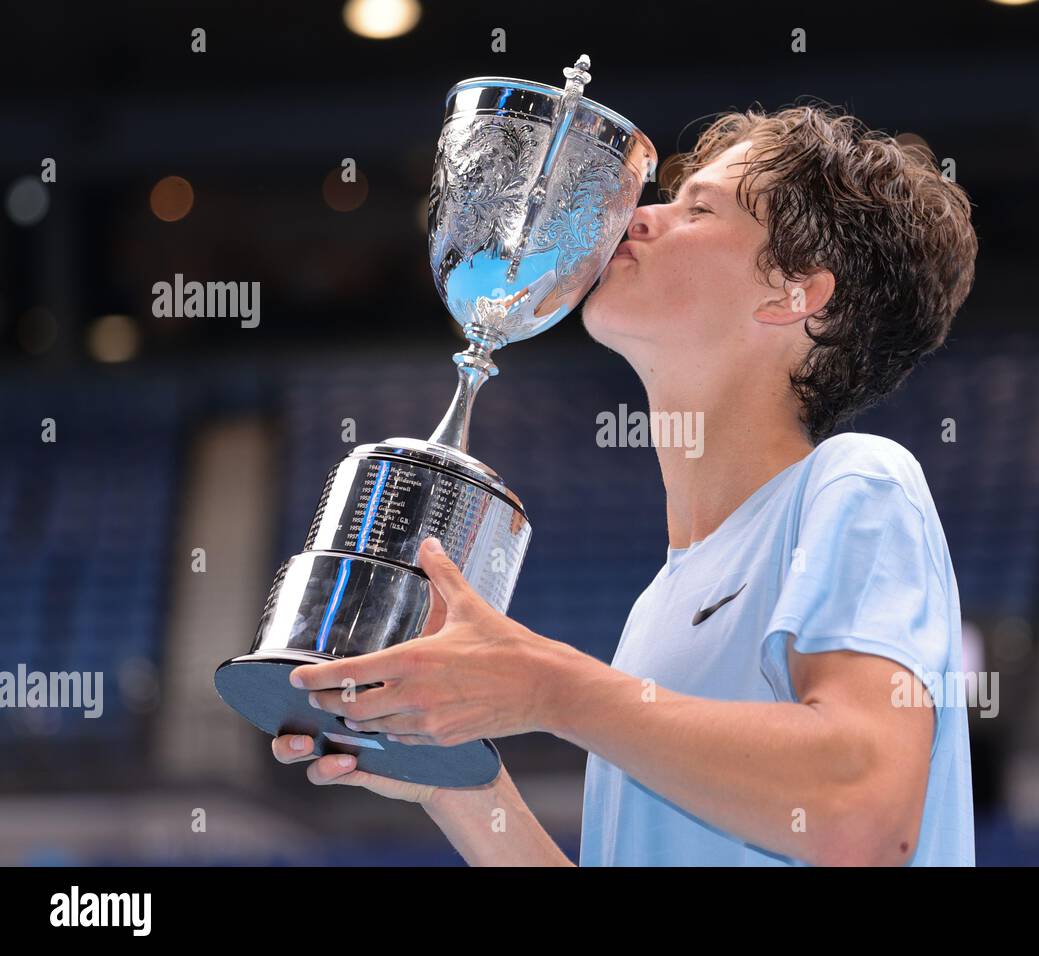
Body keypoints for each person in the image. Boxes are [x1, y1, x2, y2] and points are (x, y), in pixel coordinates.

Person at [274, 103, 979, 866]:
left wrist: (549, 686)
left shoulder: (859, 482)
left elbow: (865, 814)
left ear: (793, 295)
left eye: (697, 208)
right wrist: (452, 781)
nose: (640, 216)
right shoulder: (660, 603)